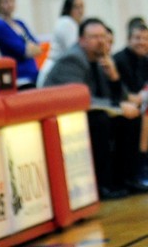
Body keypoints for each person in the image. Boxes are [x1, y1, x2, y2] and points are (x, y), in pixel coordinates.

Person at [42, 18, 142, 200]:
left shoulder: (101, 59)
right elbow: (79, 98)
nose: (101, 41)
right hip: (59, 116)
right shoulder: (73, 59)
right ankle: (103, 186)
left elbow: (118, 98)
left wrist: (114, 77)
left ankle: (127, 179)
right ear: (82, 40)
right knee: (100, 121)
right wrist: (118, 106)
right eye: (94, 37)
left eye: (103, 36)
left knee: (130, 117)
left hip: (86, 111)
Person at [0, 0, 44, 88]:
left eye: (11, 0)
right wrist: (29, 48)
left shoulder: (20, 23)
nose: (9, 4)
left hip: (33, 72)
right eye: (5, 1)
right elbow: (22, 50)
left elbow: (38, 47)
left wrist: (31, 48)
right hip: (19, 76)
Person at [42, 0, 84, 81]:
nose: (80, 10)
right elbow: (74, 50)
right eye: (76, 7)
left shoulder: (74, 24)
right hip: (53, 71)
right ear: (69, 8)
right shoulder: (66, 23)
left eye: (82, 6)